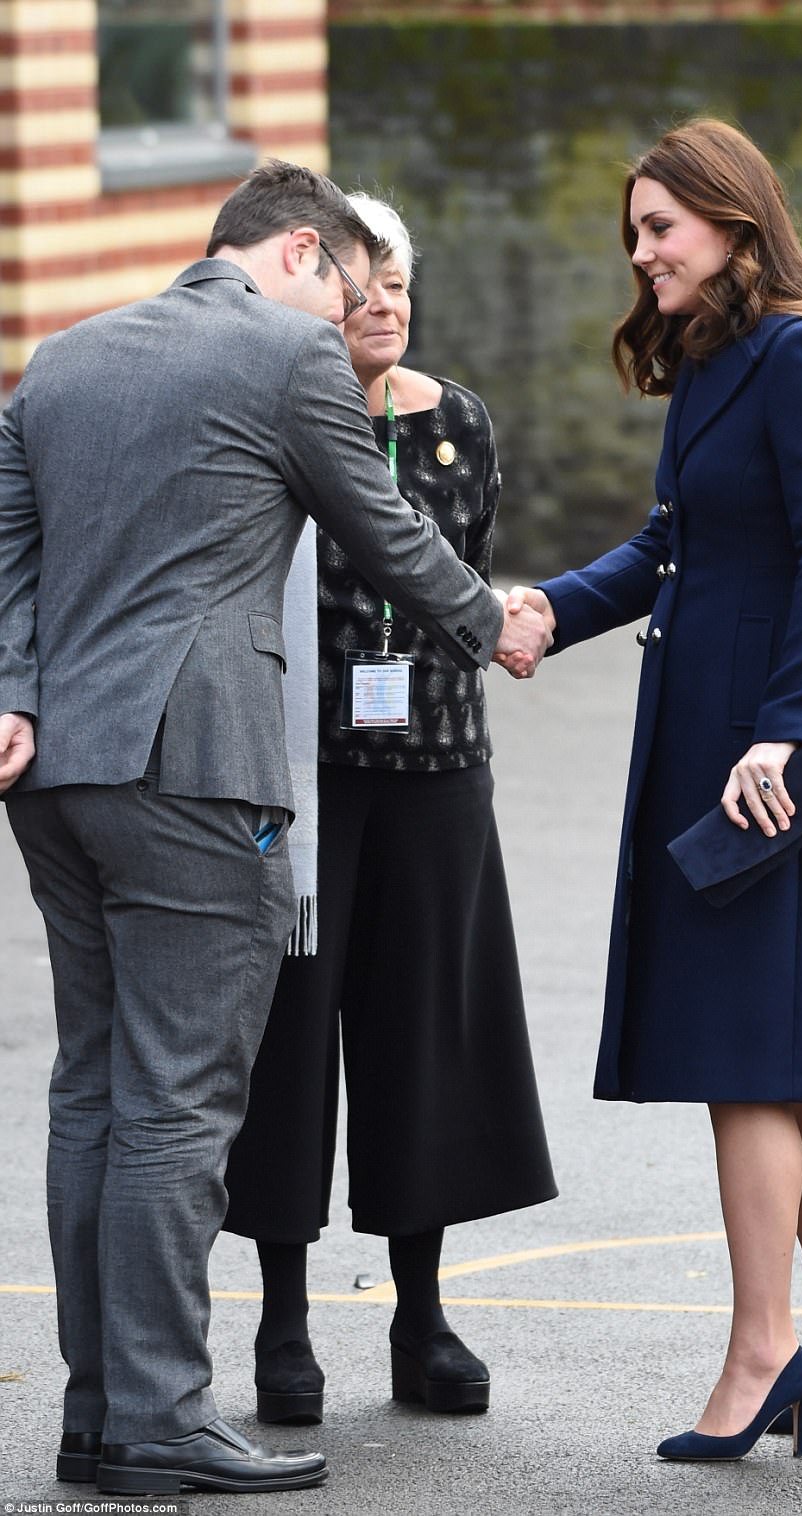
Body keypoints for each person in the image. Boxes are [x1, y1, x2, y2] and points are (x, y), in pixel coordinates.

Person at [0, 161, 551, 1497]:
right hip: (196, 773)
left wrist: (12, 696)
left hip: (56, 776)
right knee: (182, 1106)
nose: (356, 314)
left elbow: (8, 555)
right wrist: (493, 620)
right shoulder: (288, 358)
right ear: (302, 252)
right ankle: (162, 1415)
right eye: (351, 288)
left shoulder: (59, 360)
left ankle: (99, 1408)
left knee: (99, 1088)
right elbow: (383, 537)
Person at [504, 118, 802, 1462]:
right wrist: (540, 614)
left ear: (733, 224)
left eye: (659, 231)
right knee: (785, 1059)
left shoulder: (798, 356)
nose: (641, 256)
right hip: (728, 732)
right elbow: (667, 549)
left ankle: (763, 1353)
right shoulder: (709, 364)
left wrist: (778, 734)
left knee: (749, 1056)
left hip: (779, 749)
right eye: (633, 235)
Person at [223, 193, 557, 1422]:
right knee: (289, 1046)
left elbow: (465, 569)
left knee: (427, 1042)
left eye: (401, 287)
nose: (385, 307)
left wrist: (508, 614)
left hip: (435, 774)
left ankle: (422, 1320)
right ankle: (284, 1327)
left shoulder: (458, 420)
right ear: (323, 298)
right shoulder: (278, 415)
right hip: (302, 776)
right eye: (364, 290)